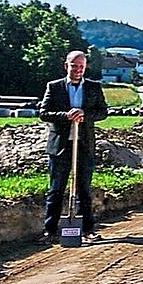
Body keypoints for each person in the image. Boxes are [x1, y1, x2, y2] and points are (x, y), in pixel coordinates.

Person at [39, 50, 109, 243]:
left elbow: (103, 112)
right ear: (66, 66)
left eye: (81, 66)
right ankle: (50, 231)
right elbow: (44, 113)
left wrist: (84, 115)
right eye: (74, 66)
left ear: (85, 67)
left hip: (84, 145)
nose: (77, 69)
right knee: (56, 189)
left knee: (84, 189)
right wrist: (66, 115)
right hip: (60, 146)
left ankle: (88, 230)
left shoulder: (94, 87)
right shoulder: (54, 87)